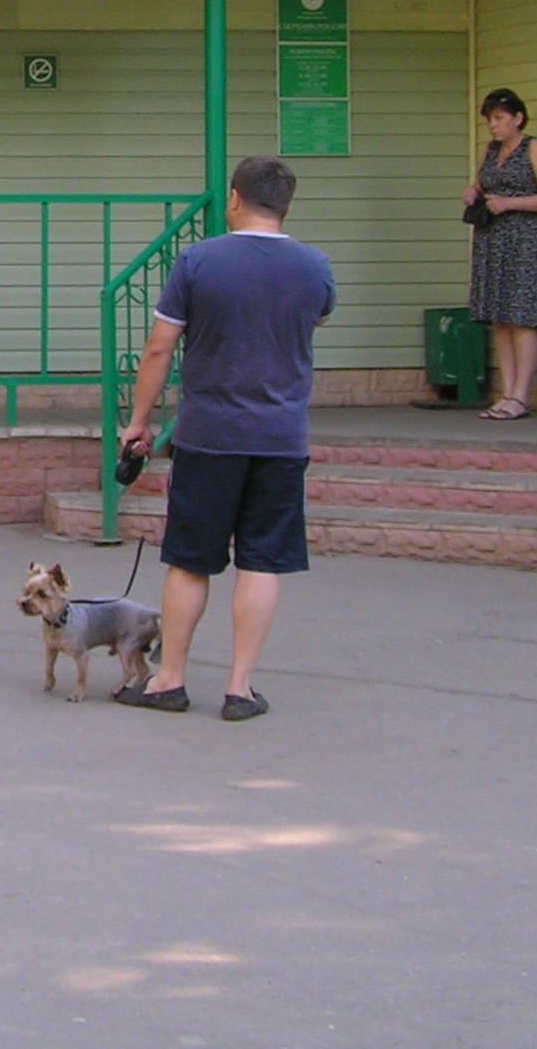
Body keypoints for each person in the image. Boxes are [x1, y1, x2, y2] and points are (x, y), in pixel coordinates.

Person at [116, 156, 336, 723]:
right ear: (285, 205)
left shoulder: (199, 260)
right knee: (261, 561)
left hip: (209, 435)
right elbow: (316, 319)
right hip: (281, 438)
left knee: (190, 561)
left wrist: (140, 420)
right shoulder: (314, 268)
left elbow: (160, 347)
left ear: (234, 198)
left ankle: (169, 680)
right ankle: (240, 689)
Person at [463, 88, 537, 421]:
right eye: (490, 120)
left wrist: (510, 203)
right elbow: (482, 183)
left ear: (518, 118)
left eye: (500, 119)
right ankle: (505, 393)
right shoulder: (491, 151)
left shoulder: (534, 148)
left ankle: (521, 395)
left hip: (524, 239)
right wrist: (473, 191)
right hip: (492, 239)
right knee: (499, 318)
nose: (494, 126)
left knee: (521, 316)